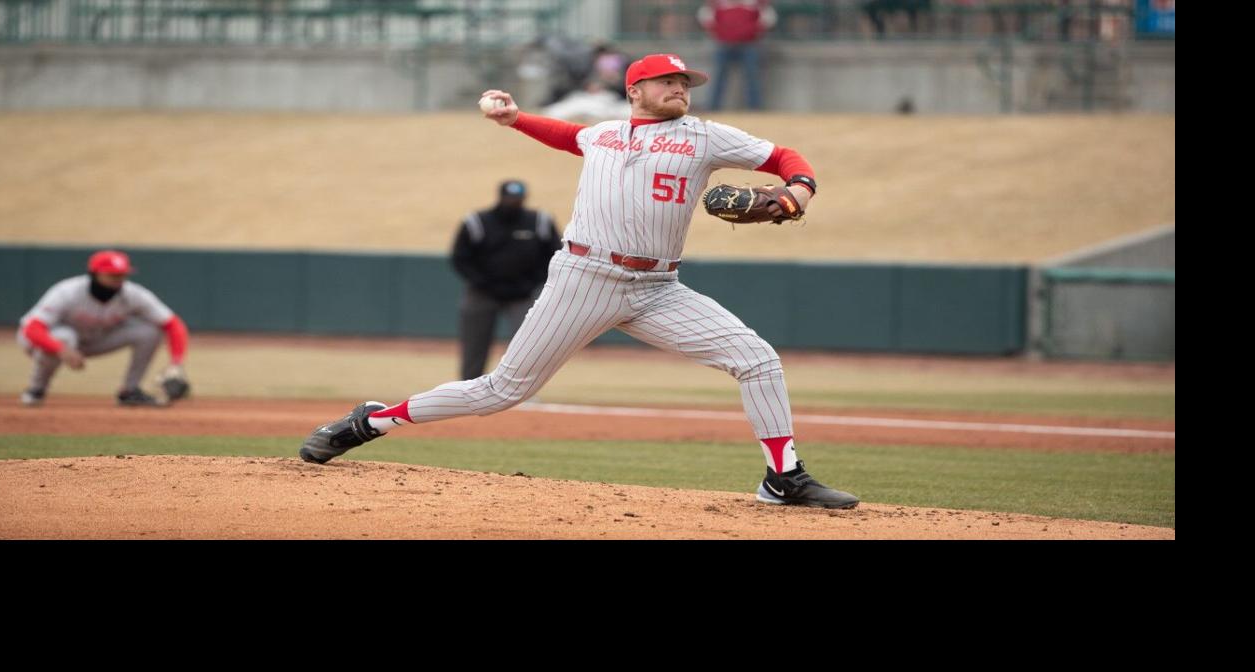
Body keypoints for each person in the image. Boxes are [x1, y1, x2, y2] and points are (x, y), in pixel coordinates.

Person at [300, 53, 859, 510]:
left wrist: (798, 191)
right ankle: (371, 420)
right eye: (667, 80)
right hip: (585, 276)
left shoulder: (705, 138)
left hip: (659, 287)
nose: (680, 87)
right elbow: (570, 136)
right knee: (501, 392)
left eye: (685, 81)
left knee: (757, 358)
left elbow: (784, 155)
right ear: (634, 90)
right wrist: (515, 119)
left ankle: (782, 478)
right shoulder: (606, 135)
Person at [17, 249, 190, 407]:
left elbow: (173, 323)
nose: (118, 280)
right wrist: (60, 349)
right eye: (112, 275)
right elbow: (32, 328)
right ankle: (36, 390)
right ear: (94, 274)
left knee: (149, 332)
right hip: (47, 341)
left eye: (122, 275)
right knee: (64, 336)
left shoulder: (133, 294)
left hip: (93, 340)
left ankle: (130, 391)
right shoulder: (67, 292)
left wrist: (176, 364)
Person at [452, 180, 562, 381]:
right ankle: (467, 386)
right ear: (500, 197)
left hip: (522, 294)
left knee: (528, 343)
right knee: (474, 343)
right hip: (482, 292)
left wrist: (532, 282)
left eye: (517, 199)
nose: (513, 202)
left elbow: (555, 255)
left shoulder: (540, 222)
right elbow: (461, 258)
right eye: (509, 198)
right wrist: (482, 282)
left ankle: (522, 387)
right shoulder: (477, 221)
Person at [698, 0, 776, 111]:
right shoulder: (716, 3)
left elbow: (768, 19)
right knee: (719, 78)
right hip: (723, 44)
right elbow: (705, 18)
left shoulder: (758, 3)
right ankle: (713, 107)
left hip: (749, 44)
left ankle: (755, 109)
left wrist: (753, 32)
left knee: (752, 78)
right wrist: (718, 32)